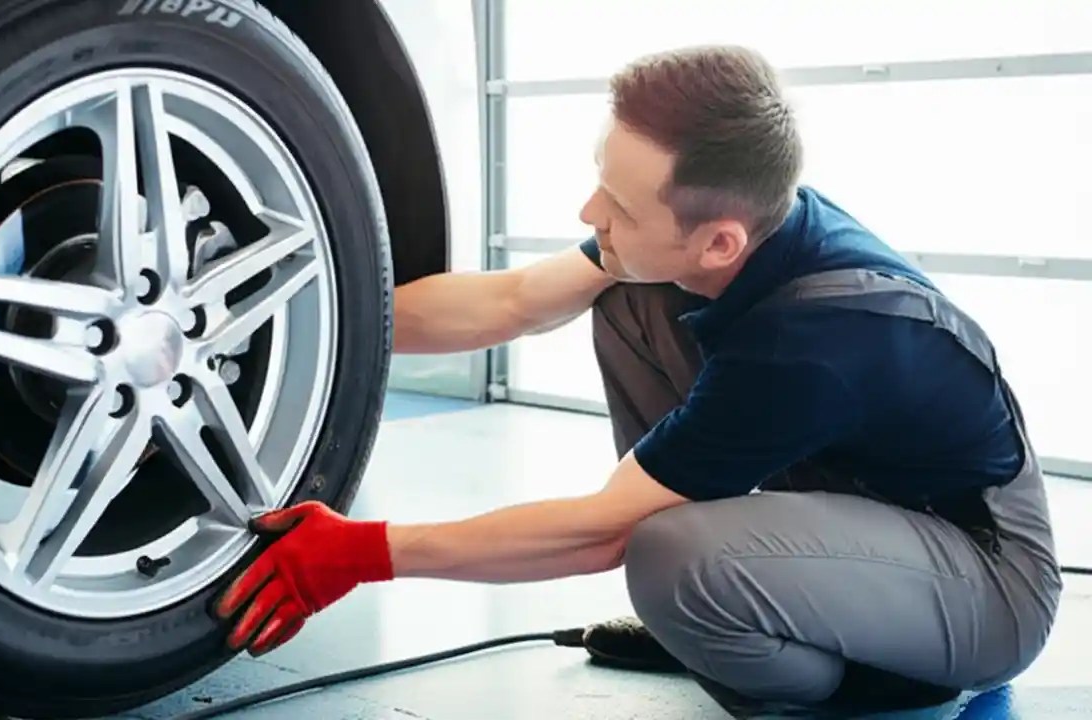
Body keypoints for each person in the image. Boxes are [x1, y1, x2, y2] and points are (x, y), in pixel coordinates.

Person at [211, 45, 1063, 714]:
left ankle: (870, 681)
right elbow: (510, 302)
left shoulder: (808, 340)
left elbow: (598, 535)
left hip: (986, 580)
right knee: (626, 297)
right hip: (862, 494)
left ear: (718, 240)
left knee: (664, 555)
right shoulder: (733, 228)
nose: (591, 215)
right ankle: (742, 608)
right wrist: (286, 312)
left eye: (617, 205)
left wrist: (366, 553)